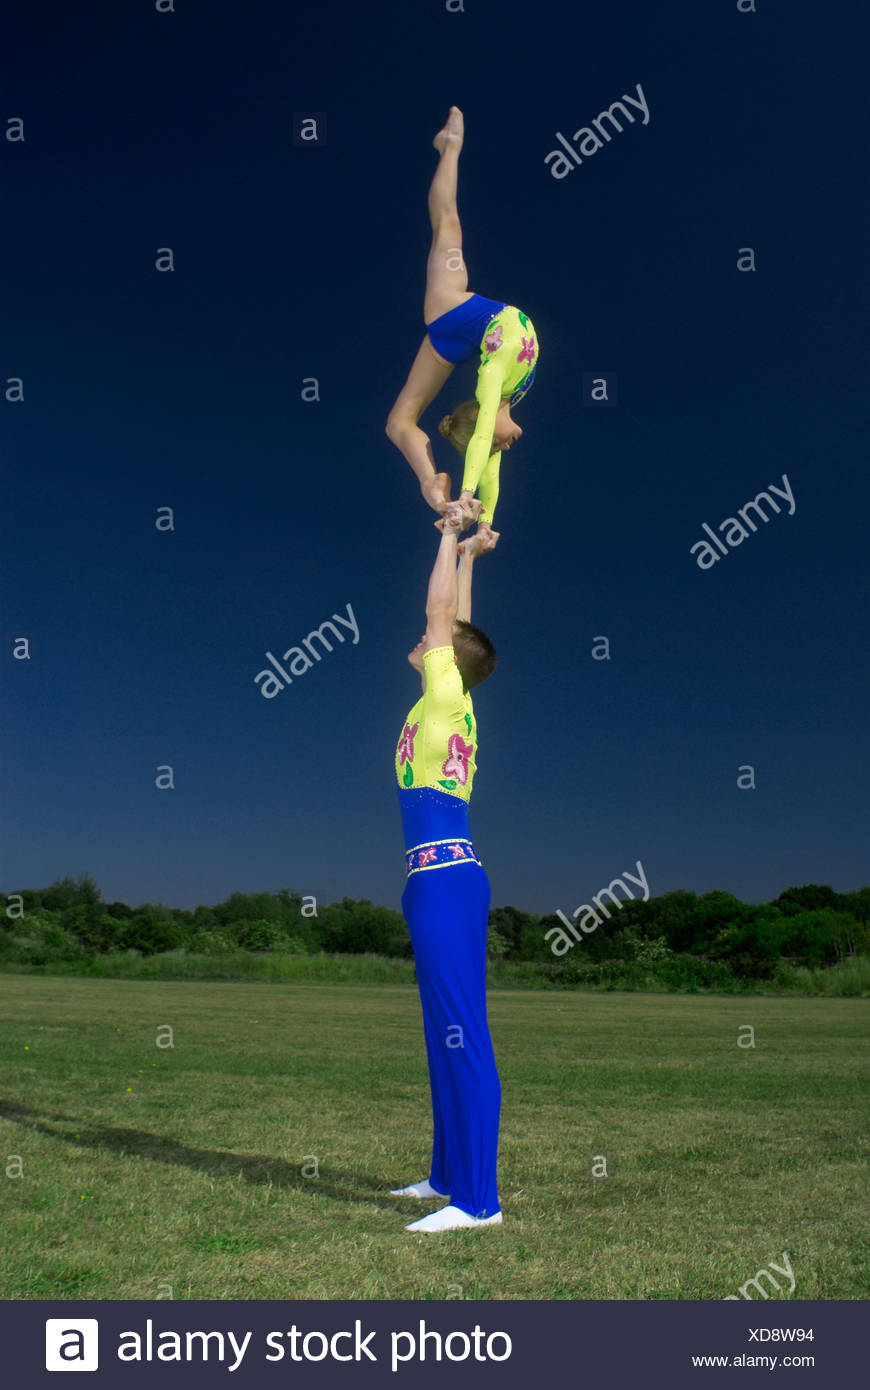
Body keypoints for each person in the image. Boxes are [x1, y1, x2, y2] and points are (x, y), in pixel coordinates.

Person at [390, 497, 503, 1232]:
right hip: (430, 882)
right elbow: (453, 624)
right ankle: (444, 1176)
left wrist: (449, 536)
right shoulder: (445, 697)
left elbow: (442, 621)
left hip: (447, 884)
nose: (427, 635)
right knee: (442, 1033)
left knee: (464, 1028)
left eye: (437, 639)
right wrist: (466, 561)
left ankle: (479, 1202)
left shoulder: (444, 692)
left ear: (446, 657)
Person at [385, 107, 539, 540]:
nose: (508, 446)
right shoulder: (513, 391)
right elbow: (493, 466)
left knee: (447, 221)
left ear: (481, 430)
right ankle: (432, 487)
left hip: (452, 309)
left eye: (494, 443)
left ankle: (450, 148)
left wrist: (467, 492)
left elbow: (486, 429)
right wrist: (486, 522)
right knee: (398, 422)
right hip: (457, 339)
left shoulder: (492, 381)